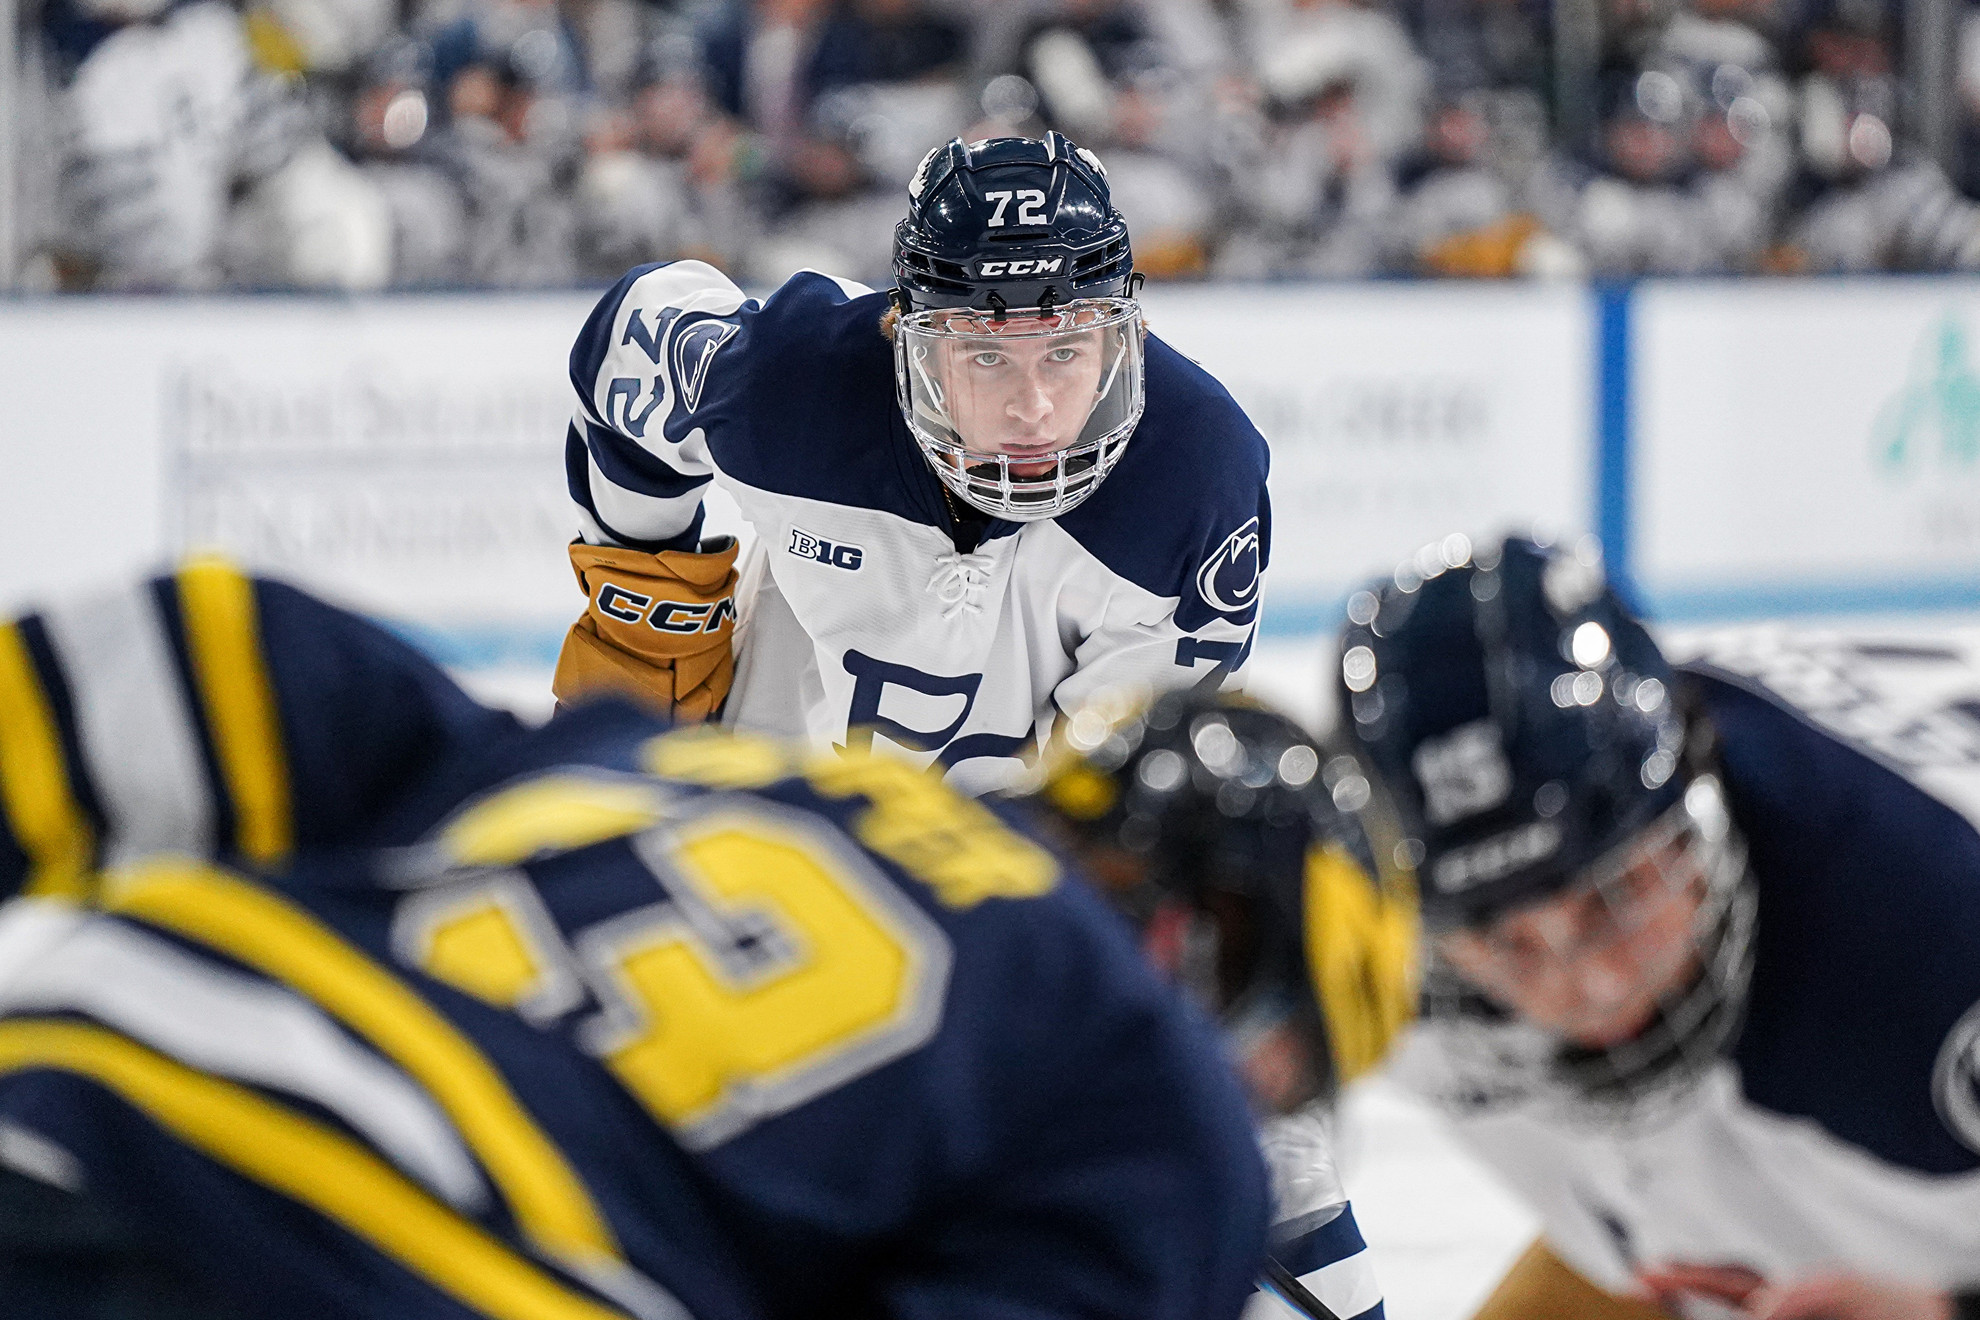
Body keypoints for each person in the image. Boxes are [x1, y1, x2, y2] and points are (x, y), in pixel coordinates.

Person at [0, 558, 1405, 1320]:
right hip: (413, 1258)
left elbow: (239, 650)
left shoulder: (710, 770)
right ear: (1209, 943)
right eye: (1282, 1061)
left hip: (81, 1079)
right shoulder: (1148, 1089)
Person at [1332, 533, 1980, 1320]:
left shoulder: (1930, 937)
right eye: (1506, 942)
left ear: (1701, 795)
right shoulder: (1360, 932)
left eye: (1618, 895)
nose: (1592, 985)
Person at [551, 131, 1271, 796]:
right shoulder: (798, 387)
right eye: (986, 355)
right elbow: (629, 333)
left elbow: (1118, 805)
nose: (1033, 410)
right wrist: (648, 612)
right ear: (904, 338)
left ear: (1125, 340)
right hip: (764, 815)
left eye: (1063, 351)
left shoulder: (1196, 479)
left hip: (1015, 870)